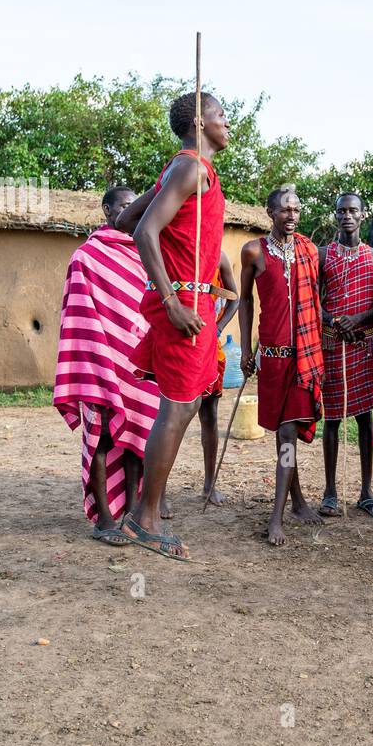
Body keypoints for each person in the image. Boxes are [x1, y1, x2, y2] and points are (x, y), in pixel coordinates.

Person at [120, 92, 231, 561]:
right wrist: (171, 301)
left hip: (195, 302)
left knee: (182, 408)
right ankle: (143, 520)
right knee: (178, 409)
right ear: (199, 123)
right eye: (221, 116)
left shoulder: (182, 170)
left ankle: (143, 514)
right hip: (183, 303)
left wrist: (160, 187)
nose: (229, 124)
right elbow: (144, 231)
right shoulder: (190, 169)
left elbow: (127, 219)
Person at [54, 187, 162, 544]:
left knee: (139, 438)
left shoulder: (145, 255)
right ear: (106, 210)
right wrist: (96, 360)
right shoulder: (86, 257)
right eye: (125, 207)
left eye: (137, 208)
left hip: (138, 364)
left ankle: (132, 513)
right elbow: (77, 316)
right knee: (100, 438)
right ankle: (103, 518)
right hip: (100, 362)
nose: (132, 214)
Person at [238, 188, 325, 546]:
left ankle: (276, 518)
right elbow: (244, 300)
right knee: (283, 436)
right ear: (270, 212)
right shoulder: (254, 251)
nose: (291, 216)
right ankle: (298, 501)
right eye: (285, 210)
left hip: (303, 356)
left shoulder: (309, 251)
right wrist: (246, 350)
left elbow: (317, 300)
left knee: (287, 435)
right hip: (272, 360)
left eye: (296, 210)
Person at [317, 192, 373, 519]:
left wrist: (357, 319)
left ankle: (366, 492)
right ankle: (330, 493)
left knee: (364, 418)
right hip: (331, 344)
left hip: (362, 345)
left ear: (363, 215)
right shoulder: (322, 255)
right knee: (331, 419)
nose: (347, 216)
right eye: (341, 210)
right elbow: (312, 303)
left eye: (353, 211)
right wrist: (333, 319)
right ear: (335, 216)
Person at [197, 250, 240, 507]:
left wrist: (219, 326)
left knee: (210, 415)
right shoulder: (178, 254)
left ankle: (209, 484)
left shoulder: (219, 257)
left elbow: (233, 298)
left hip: (211, 349)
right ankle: (159, 493)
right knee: (172, 420)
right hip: (179, 346)